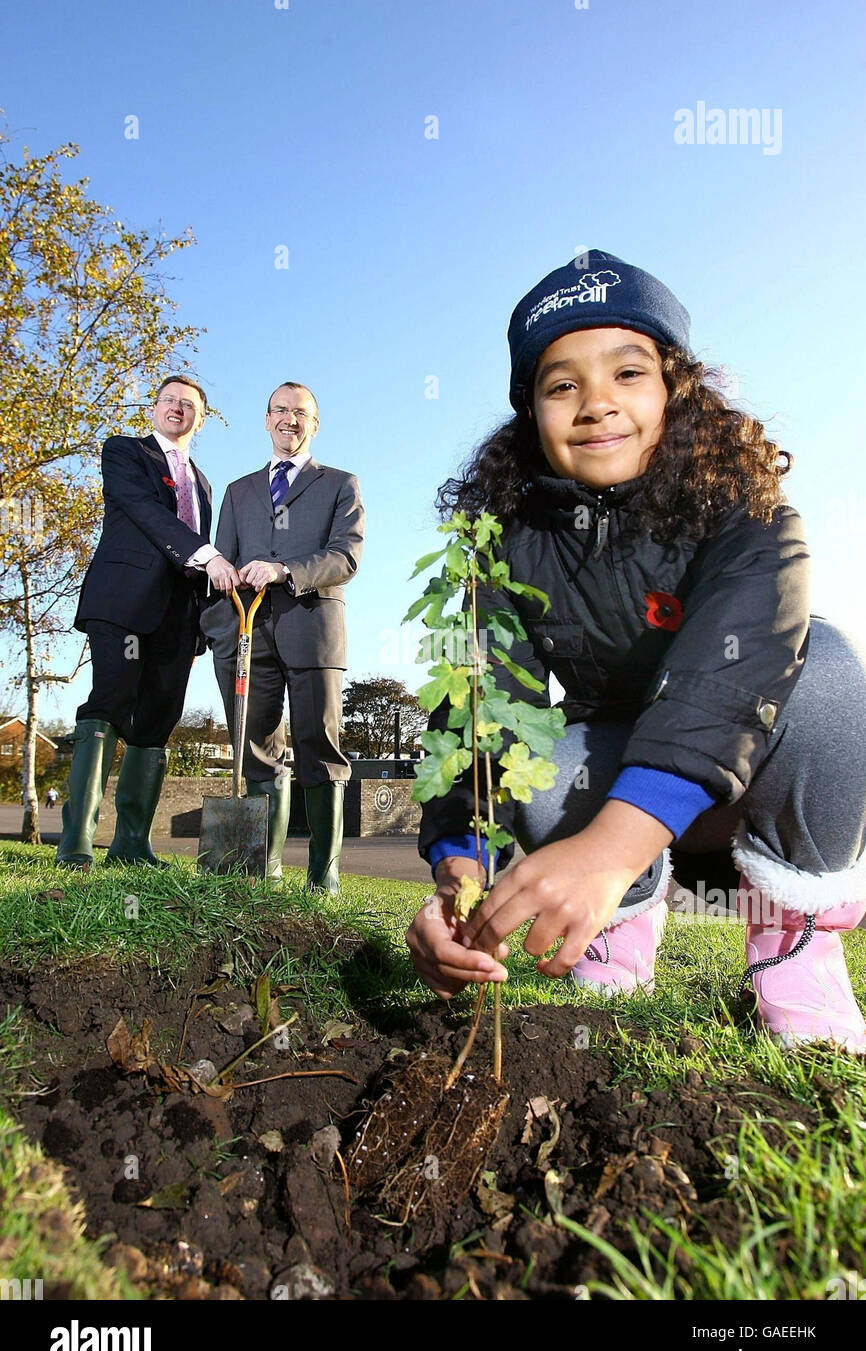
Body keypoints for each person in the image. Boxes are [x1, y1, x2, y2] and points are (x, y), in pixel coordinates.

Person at [408, 250, 866, 1053]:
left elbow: (732, 676)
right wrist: (457, 868)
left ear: (675, 390)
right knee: (553, 759)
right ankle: (615, 940)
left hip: (734, 800)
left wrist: (609, 848)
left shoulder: (749, 511)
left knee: (826, 668)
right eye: (561, 385)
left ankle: (794, 944)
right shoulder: (504, 541)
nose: (596, 405)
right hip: (608, 800)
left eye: (628, 373)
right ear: (530, 417)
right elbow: (483, 703)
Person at [57, 375, 240, 868]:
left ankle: (132, 843)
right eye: (169, 401)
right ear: (154, 409)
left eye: (189, 405)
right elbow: (145, 513)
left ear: (200, 420)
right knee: (112, 700)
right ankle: (76, 841)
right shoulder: (123, 453)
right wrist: (208, 555)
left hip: (178, 616)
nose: (177, 409)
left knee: (159, 717)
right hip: (123, 602)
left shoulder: (202, 482)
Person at [200, 381, 364, 889]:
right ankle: (260, 872)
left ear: (314, 424)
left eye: (301, 413)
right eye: (280, 411)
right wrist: (220, 575)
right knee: (256, 748)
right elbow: (220, 559)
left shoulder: (340, 483)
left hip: (313, 628)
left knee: (319, 745)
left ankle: (324, 876)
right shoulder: (238, 491)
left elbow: (346, 556)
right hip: (249, 632)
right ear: (266, 418)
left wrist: (283, 569)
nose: (289, 419)